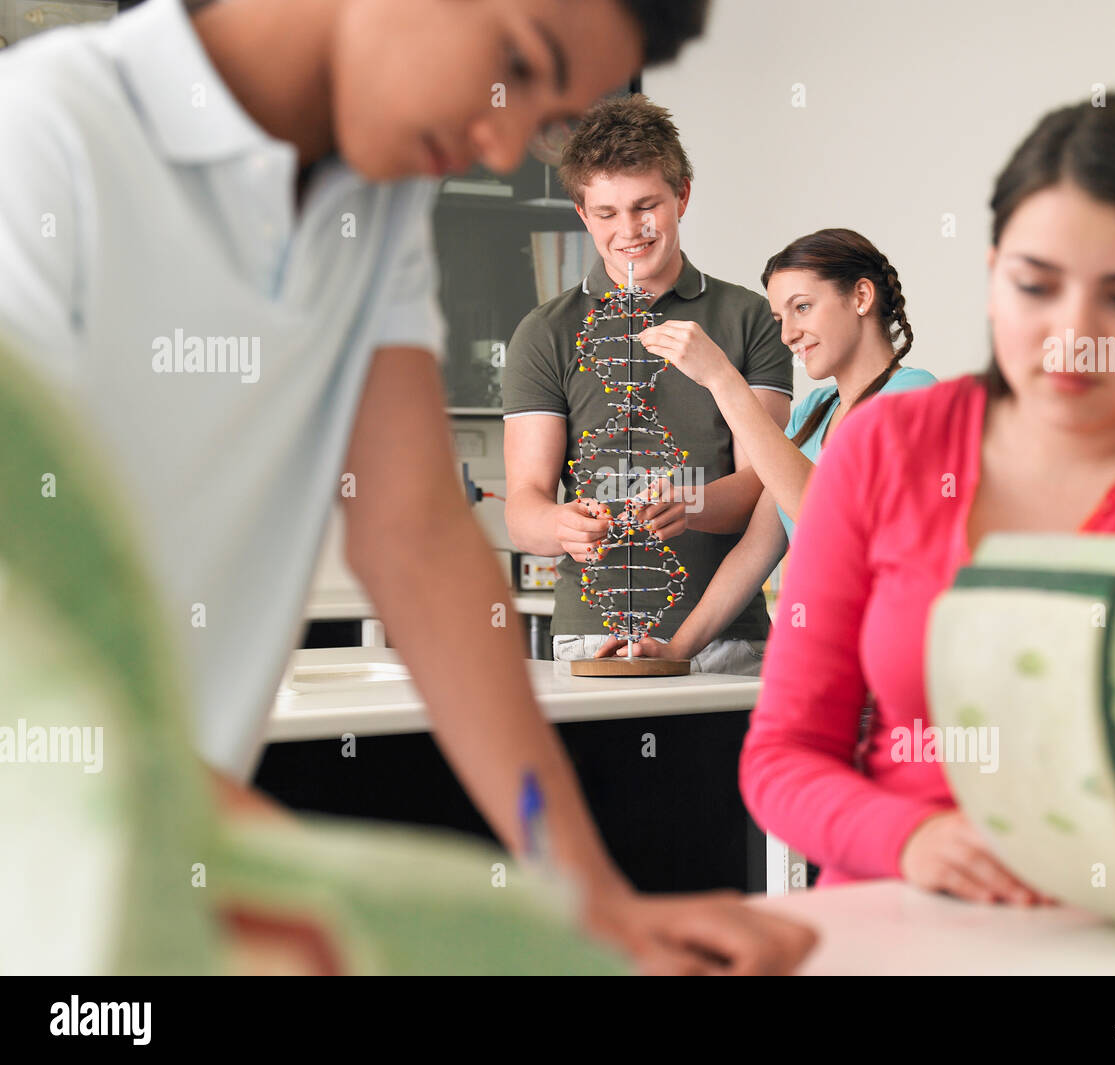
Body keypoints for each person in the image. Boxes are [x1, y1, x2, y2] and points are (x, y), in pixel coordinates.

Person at [0, 0, 814, 975]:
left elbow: (416, 537)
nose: (502, 136)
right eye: (517, 60)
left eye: (543, 110)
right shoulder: (44, 136)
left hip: (140, 868)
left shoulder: (375, 207)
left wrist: (589, 895)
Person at [740, 93, 1115, 904]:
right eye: (1036, 286)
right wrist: (913, 837)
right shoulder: (885, 445)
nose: (1072, 333)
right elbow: (783, 755)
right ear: (994, 277)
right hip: (906, 907)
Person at [502, 94, 793, 675]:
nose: (628, 231)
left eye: (645, 206)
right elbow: (523, 509)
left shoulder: (750, 318)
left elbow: (767, 489)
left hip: (730, 638)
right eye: (606, 213)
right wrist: (559, 525)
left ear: (682, 195)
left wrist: (691, 503)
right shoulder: (545, 333)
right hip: (593, 638)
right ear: (582, 214)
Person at [593, 228, 936, 664]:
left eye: (803, 308)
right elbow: (754, 552)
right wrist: (675, 650)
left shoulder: (914, 398)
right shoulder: (814, 412)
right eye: (779, 320)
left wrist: (722, 379)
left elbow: (827, 520)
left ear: (862, 297)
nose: (789, 334)